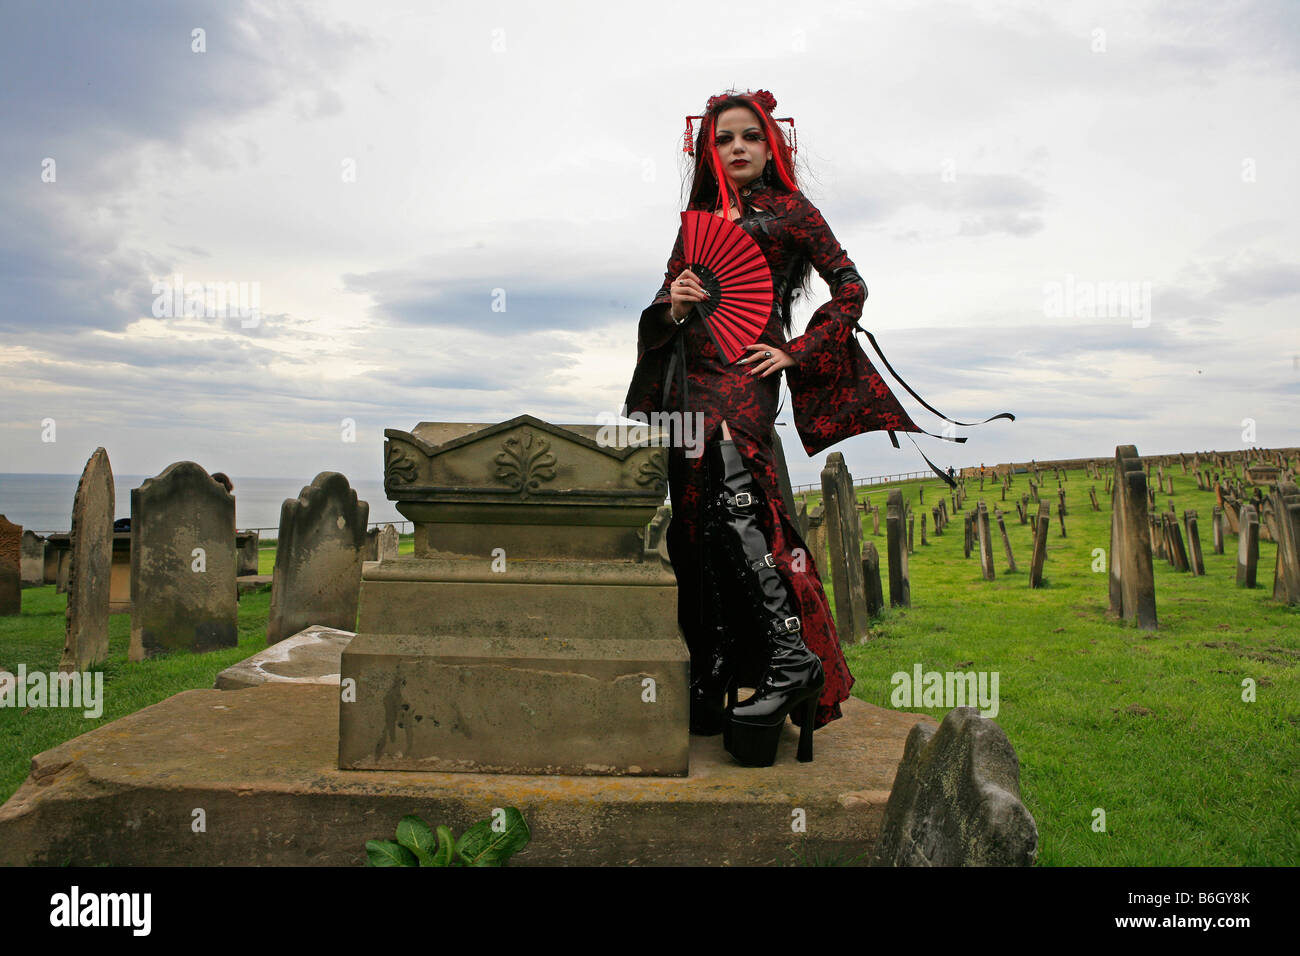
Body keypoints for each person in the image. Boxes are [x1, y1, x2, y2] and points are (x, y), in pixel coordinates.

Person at [622, 88, 935, 767]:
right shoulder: (698, 220)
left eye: (748, 137)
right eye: (724, 138)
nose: (736, 147)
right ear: (710, 150)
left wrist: (799, 350)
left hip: (744, 379)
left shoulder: (794, 212)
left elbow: (849, 286)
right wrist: (675, 302)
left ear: (770, 147)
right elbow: (662, 307)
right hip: (687, 384)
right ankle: (711, 675)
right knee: (692, 526)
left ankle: (791, 662)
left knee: (744, 507)